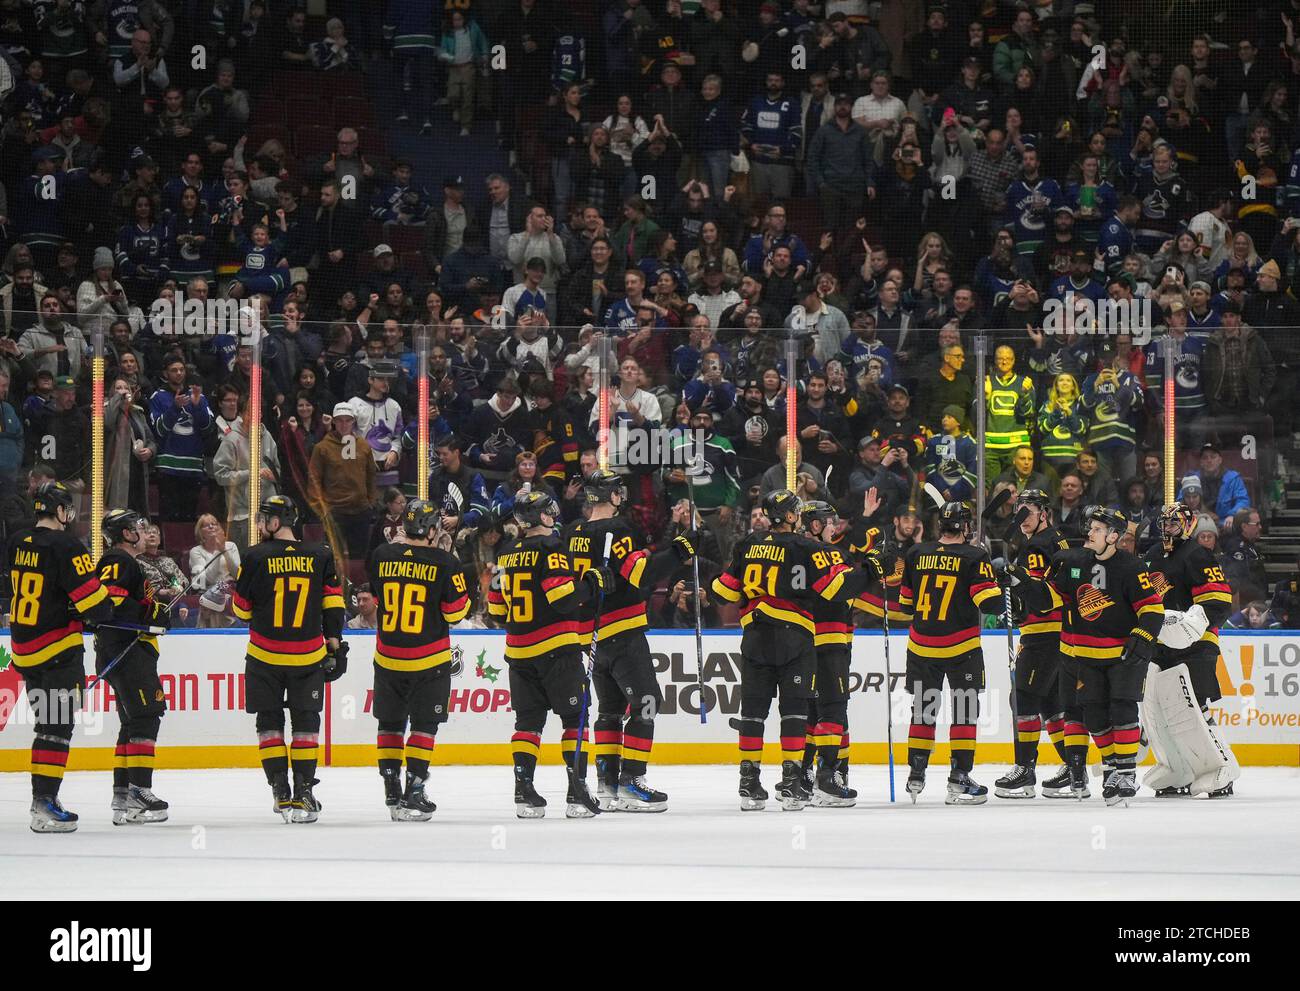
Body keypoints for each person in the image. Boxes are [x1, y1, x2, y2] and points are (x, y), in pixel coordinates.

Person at [710, 489, 876, 812]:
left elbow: (721, 592)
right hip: (794, 640)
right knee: (795, 713)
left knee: (753, 714)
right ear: (789, 516)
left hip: (754, 638)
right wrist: (872, 571)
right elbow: (835, 589)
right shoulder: (806, 547)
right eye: (795, 511)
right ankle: (791, 782)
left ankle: (749, 782)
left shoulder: (747, 544)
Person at [563, 469, 698, 812]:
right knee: (647, 702)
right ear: (612, 496)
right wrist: (680, 550)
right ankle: (631, 782)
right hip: (622, 630)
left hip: (590, 634)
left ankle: (606, 783)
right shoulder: (617, 529)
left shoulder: (572, 532)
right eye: (619, 491)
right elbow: (641, 574)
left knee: (609, 708)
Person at [1012, 508, 1165, 806]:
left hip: (1122, 655)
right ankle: (1112, 766)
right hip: (1085, 656)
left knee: (1122, 710)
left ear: (1113, 536)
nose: (1089, 533)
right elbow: (1049, 601)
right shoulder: (1074, 562)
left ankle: (1125, 771)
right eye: (1091, 528)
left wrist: (1143, 636)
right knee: (1093, 716)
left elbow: (1152, 609)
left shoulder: (1132, 567)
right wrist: (1024, 583)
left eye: (1096, 529)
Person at [487, 490, 610, 819]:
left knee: (528, 722)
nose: (552, 513)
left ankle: (523, 791)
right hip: (557, 649)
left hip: (519, 650)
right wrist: (593, 585)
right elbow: (563, 599)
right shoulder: (552, 547)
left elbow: (496, 608)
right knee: (575, 718)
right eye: (547, 510)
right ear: (538, 516)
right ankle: (576, 792)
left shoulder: (505, 553)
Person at [231, 495, 345, 823]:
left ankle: (280, 791)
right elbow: (333, 605)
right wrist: (334, 642)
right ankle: (304, 793)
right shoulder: (320, 554)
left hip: (265, 655)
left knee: (269, 722)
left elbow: (241, 610)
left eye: (263, 517)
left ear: (277, 520)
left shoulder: (253, 556)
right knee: (306, 723)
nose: (259, 524)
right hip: (307, 655)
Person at [8, 482, 113, 832]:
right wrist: (105, 609)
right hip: (57, 651)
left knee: (48, 725)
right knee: (56, 729)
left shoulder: (17, 540)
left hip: (24, 650)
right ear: (60, 510)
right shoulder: (67, 545)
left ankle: (45, 798)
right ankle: (44, 803)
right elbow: (93, 603)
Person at [368, 499, 472, 820]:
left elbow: (376, 596)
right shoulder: (444, 562)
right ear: (429, 530)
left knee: (390, 722)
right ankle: (414, 788)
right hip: (428, 659)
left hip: (388, 658)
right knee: (424, 724)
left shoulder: (381, 556)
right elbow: (456, 612)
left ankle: (390, 786)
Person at [895, 502, 1004, 805]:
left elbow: (905, 605)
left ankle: (916, 774)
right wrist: (998, 579)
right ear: (966, 527)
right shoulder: (975, 557)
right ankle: (959, 777)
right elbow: (992, 606)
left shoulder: (917, 553)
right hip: (962, 650)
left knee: (923, 710)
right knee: (965, 711)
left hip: (921, 647)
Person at [1142, 503, 1235, 797]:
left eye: (1174, 522)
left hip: (1197, 641)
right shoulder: (1153, 555)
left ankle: (1221, 766)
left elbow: (1218, 601)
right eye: (1165, 523)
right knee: (1157, 706)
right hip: (1160, 641)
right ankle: (1178, 767)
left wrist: (1192, 624)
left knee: (1194, 704)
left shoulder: (1198, 554)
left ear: (1189, 524)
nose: (1168, 528)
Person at [798, 500, 881, 807]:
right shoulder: (819, 552)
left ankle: (804, 777)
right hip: (827, 639)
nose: (834, 526)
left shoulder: (800, 550)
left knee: (812, 714)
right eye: (828, 521)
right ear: (815, 525)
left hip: (807, 641)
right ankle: (827, 780)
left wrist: (865, 525)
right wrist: (873, 569)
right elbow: (842, 585)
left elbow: (846, 561)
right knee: (833, 709)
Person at [994, 490, 1075, 800]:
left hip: (1044, 634)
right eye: (1018, 510)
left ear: (1044, 513)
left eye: (1027, 511)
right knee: (1051, 704)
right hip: (1057, 633)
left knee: (1024, 698)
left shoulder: (1039, 546)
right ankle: (1073, 766)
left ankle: (1024, 770)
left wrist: (1018, 583)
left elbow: (1043, 596)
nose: (1021, 516)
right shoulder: (1054, 540)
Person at [95, 509, 174, 824]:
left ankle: (123, 794)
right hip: (126, 650)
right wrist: (150, 615)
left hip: (123, 650)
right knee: (146, 715)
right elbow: (111, 603)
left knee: (131, 721)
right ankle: (139, 789)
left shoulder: (124, 563)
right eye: (138, 528)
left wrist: (155, 612)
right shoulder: (119, 560)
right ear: (125, 534)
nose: (144, 532)